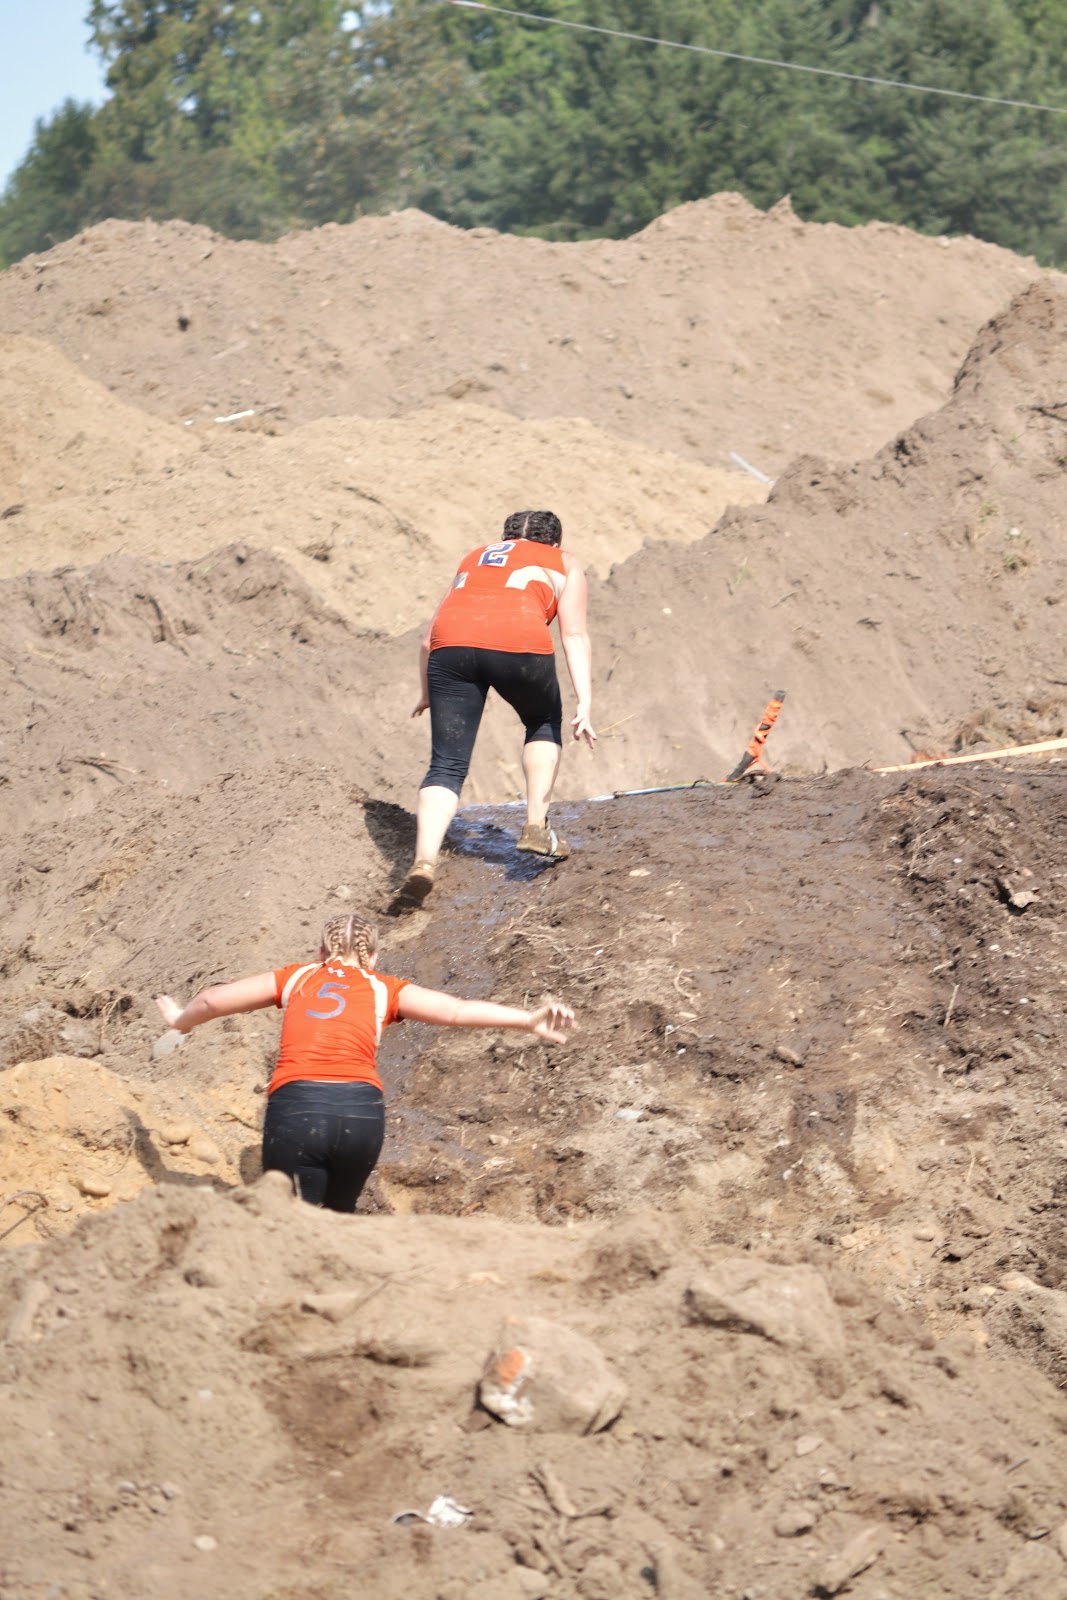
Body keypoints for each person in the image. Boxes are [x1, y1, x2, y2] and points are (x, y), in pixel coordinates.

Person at [153, 910, 576, 1213]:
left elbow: (211, 1000)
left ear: (320, 952)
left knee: (291, 1223)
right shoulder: (383, 987)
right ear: (372, 958)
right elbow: (457, 1011)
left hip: (298, 1108)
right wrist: (526, 1019)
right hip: (362, 1115)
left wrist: (180, 1021)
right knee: (339, 1222)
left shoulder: (298, 976)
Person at [396, 509, 597, 910]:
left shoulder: (473, 558)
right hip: (518, 641)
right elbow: (573, 633)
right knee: (542, 721)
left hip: (449, 646)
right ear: (554, 543)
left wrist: (426, 692)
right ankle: (536, 826)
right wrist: (585, 701)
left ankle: (423, 861)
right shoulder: (564, 562)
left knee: (446, 765)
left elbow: (425, 641)